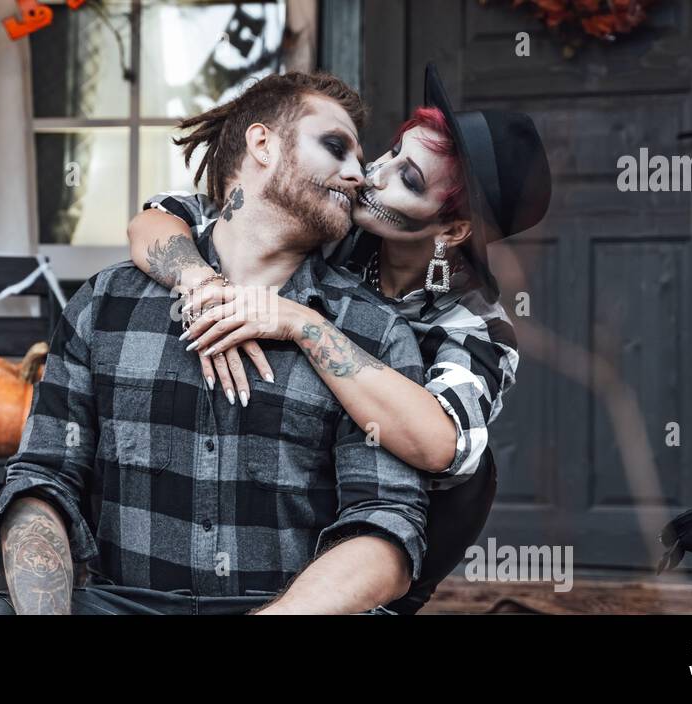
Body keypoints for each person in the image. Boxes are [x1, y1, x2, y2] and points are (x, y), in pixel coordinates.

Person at [0, 71, 429, 615]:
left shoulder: (368, 332)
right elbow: (43, 483)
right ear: (263, 143)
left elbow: (386, 532)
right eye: (335, 146)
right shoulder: (108, 302)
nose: (357, 175)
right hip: (119, 605)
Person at [124, 64, 552, 614]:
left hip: (387, 511)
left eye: (409, 180)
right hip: (284, 480)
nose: (373, 175)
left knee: (477, 471)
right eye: (392, 153)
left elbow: (442, 442)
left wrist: (302, 323)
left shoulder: (473, 323)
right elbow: (161, 218)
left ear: (452, 230)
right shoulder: (335, 222)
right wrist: (203, 283)